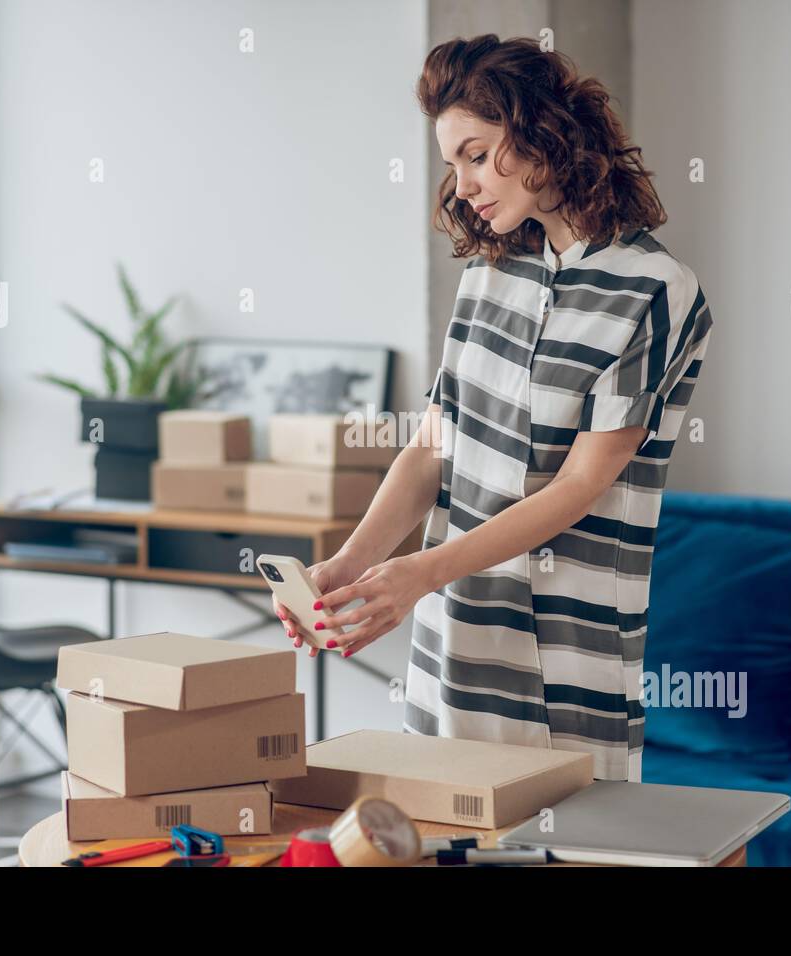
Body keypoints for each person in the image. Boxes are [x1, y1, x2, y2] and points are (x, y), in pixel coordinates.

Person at [273, 34, 714, 782]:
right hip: (454, 630)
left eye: (477, 155)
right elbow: (432, 447)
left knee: (565, 846)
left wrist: (419, 571)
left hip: (568, 648)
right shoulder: (490, 272)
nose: (464, 183)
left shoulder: (656, 291)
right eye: (454, 164)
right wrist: (352, 566)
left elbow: (580, 487)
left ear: (543, 134)